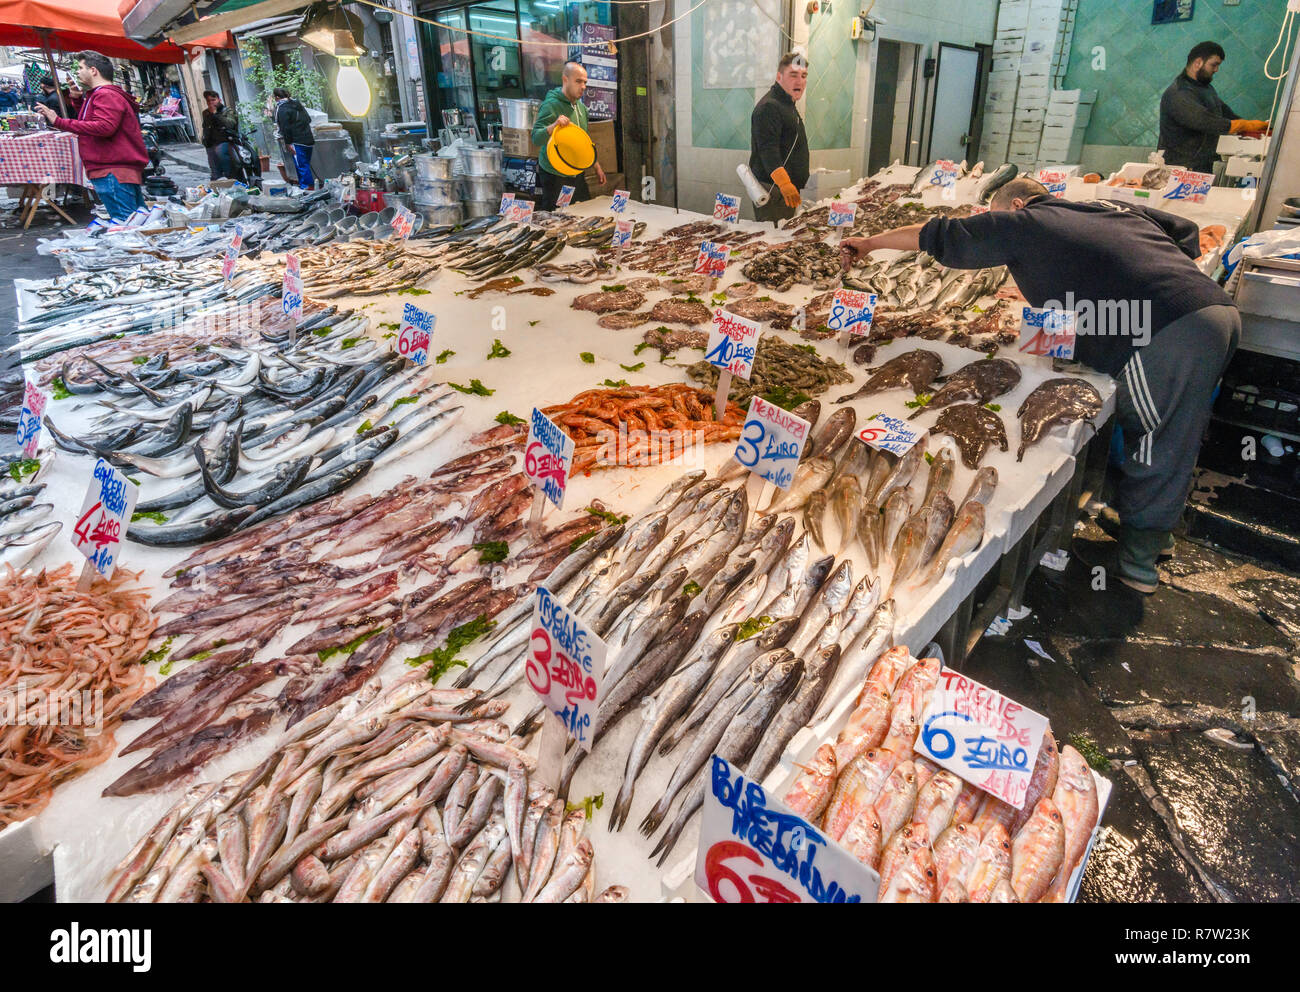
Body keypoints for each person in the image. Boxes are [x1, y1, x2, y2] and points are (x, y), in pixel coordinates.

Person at [840, 177, 1240, 595]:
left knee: (1159, 441)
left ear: (1016, 205)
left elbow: (936, 234)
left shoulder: (1025, 223)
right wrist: (1151, 279)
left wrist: (869, 242)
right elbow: (1186, 231)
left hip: (1165, 332)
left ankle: (1139, 563)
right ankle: (1156, 532)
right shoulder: (1101, 207)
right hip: (1213, 310)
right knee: (1179, 424)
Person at [34, 51, 149, 223]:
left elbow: (104, 127)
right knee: (137, 224)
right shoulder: (100, 94)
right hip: (115, 170)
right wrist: (78, 100)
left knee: (127, 227)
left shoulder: (105, 94)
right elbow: (94, 122)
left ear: (93, 70)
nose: (78, 72)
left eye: (81, 68)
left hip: (112, 170)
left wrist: (59, 121)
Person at [1158, 41, 1269, 174]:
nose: (1216, 69)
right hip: (1180, 168)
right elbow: (1204, 121)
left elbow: (1226, 113)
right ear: (1198, 62)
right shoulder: (1179, 92)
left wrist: (1257, 129)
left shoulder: (1206, 88)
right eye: (1214, 64)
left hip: (1202, 165)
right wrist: (1243, 125)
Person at [532, 61, 607, 211]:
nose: (583, 87)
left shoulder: (582, 108)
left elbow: (583, 141)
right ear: (565, 80)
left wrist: (596, 166)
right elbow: (536, 138)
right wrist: (553, 127)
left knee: (582, 211)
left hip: (576, 171)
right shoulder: (551, 105)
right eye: (578, 81)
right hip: (555, 174)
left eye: (585, 82)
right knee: (556, 217)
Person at [749, 52, 810, 225]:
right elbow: (768, 150)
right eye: (793, 75)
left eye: (803, 76)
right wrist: (784, 184)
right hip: (774, 191)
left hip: (784, 191)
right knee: (773, 241)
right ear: (779, 76)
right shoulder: (769, 107)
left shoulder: (787, 104)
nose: (799, 81)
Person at [273, 87, 315, 190]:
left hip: (297, 141)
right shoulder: (297, 104)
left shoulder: (282, 109)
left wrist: (288, 143)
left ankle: (308, 188)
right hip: (308, 140)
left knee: (302, 166)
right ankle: (303, 187)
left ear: (277, 97)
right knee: (305, 165)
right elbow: (308, 119)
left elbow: (285, 128)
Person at [201, 90, 239, 180]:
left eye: (213, 100)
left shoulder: (227, 111)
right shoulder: (206, 113)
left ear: (219, 100)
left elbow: (230, 124)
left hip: (225, 141)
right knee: (214, 170)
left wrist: (215, 114)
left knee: (225, 164)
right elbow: (206, 126)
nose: (211, 103)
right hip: (211, 143)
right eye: (208, 101)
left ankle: (231, 180)